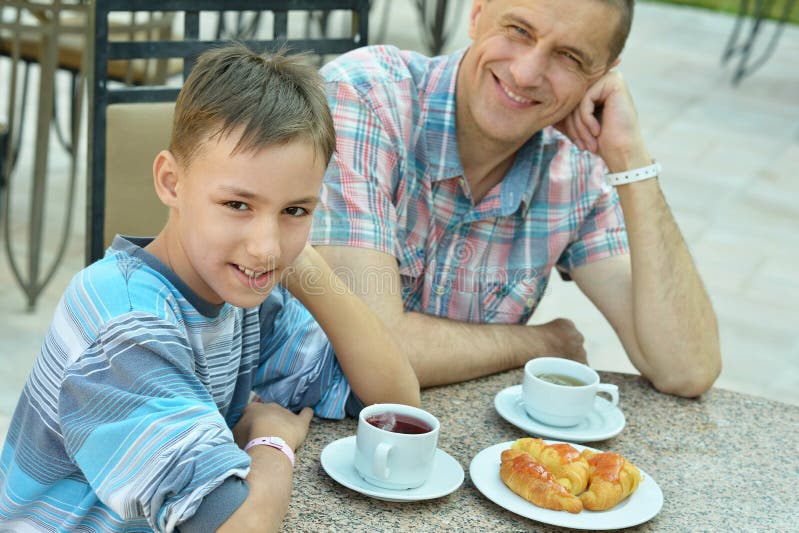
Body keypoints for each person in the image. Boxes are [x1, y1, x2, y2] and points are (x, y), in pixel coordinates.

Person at [0, 44, 419, 532]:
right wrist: (272, 440)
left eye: (294, 210)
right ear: (171, 182)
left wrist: (305, 263)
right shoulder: (125, 326)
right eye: (238, 204)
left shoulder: (239, 292)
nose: (264, 247)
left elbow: (395, 402)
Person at [310, 0, 721, 397]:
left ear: (600, 77)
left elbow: (686, 369)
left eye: (570, 58)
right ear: (477, 14)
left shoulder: (574, 168)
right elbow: (370, 349)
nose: (526, 73)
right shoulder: (366, 97)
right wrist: (539, 343)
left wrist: (631, 160)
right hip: (293, 431)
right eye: (519, 30)